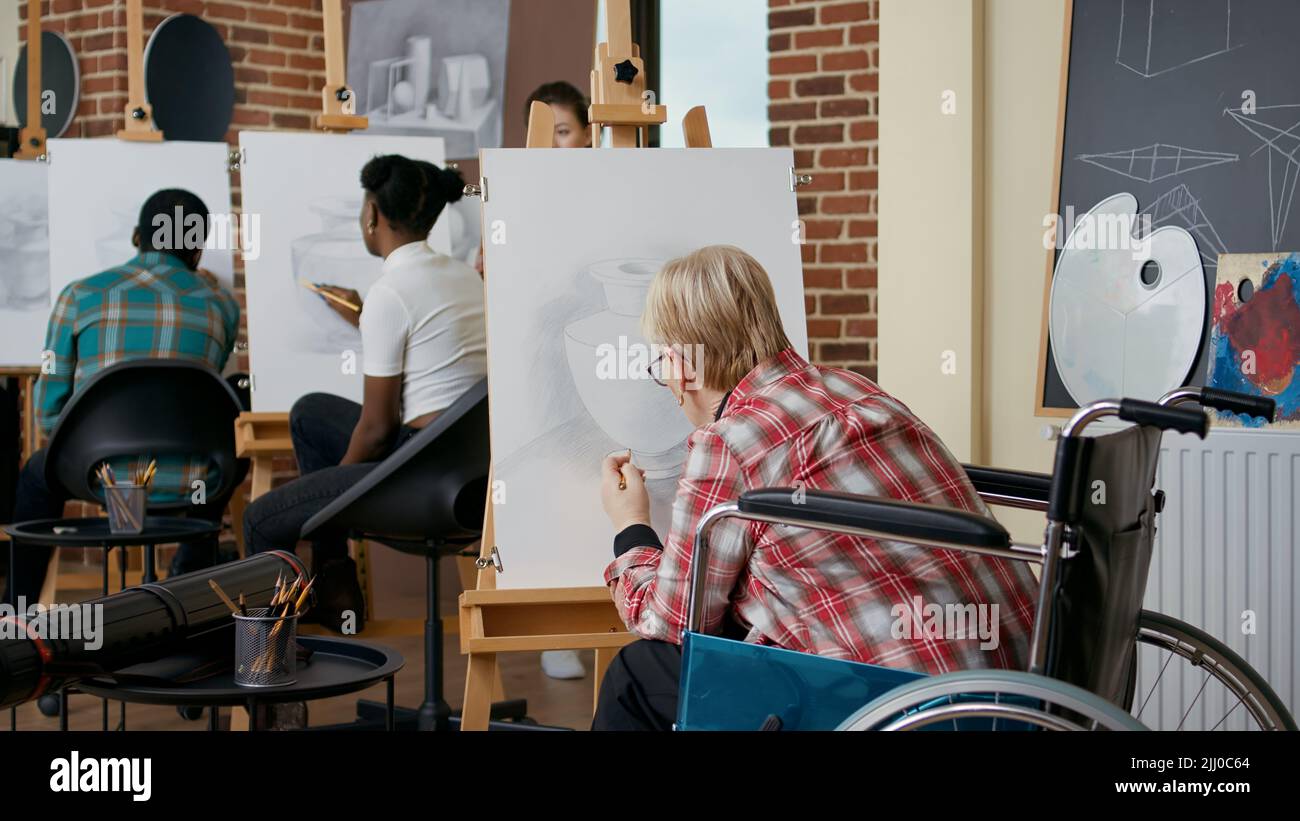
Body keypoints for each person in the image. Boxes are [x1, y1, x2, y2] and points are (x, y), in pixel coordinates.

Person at [592, 245, 1040, 730]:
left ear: (683, 366)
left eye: (661, 367)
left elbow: (675, 624)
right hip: (1019, 692)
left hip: (904, 710)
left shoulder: (732, 441)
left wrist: (631, 527)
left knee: (637, 675)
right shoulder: (857, 389)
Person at [242, 154, 486, 634]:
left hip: (418, 478)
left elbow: (377, 430)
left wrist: (335, 500)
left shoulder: (390, 293)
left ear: (372, 215)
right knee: (311, 414)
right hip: (472, 477)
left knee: (261, 520)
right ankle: (337, 588)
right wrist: (364, 319)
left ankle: (270, 668)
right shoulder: (464, 278)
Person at [5, 189, 240, 605]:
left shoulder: (78, 295)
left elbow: (46, 414)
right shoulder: (222, 306)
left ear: (137, 237)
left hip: (96, 474)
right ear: (198, 251)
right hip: (195, 479)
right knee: (231, 448)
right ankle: (188, 576)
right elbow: (206, 402)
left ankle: (15, 613)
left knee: (35, 475)